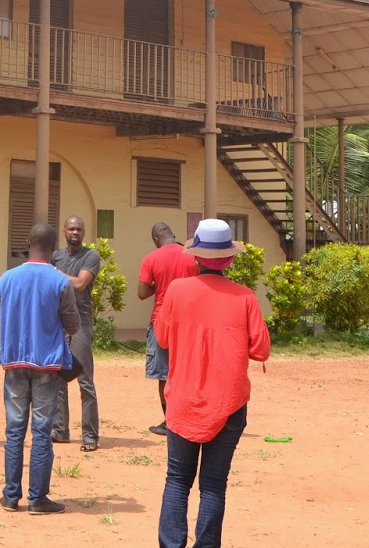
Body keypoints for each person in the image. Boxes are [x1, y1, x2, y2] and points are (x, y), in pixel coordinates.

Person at [154, 218, 271, 548]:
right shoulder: (246, 298)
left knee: (177, 479)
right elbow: (261, 350)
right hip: (229, 404)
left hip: (182, 401)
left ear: (195, 257)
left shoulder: (177, 290)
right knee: (214, 484)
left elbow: (162, 338)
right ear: (230, 258)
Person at [0, 221, 78, 515]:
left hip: (13, 363)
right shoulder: (60, 281)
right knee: (42, 431)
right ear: (53, 249)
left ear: (28, 244)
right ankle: (38, 499)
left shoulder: (6, 278)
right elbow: (74, 324)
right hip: (47, 365)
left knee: (14, 430)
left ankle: (11, 496)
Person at [137, 221, 198, 435]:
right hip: (189, 322)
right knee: (187, 372)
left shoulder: (151, 259)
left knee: (164, 374)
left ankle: (169, 422)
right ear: (174, 234)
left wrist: (160, 284)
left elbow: (142, 292)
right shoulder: (192, 256)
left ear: (155, 240)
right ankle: (189, 419)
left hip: (162, 321)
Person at [50, 214, 101, 452]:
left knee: (84, 381)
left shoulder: (90, 256)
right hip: (58, 323)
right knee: (59, 378)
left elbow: (80, 284)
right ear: (64, 231)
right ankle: (60, 431)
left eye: (79, 229)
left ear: (84, 232)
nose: (75, 233)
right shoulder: (57, 256)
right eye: (71, 228)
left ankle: (90, 436)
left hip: (80, 323)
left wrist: (53, 273)